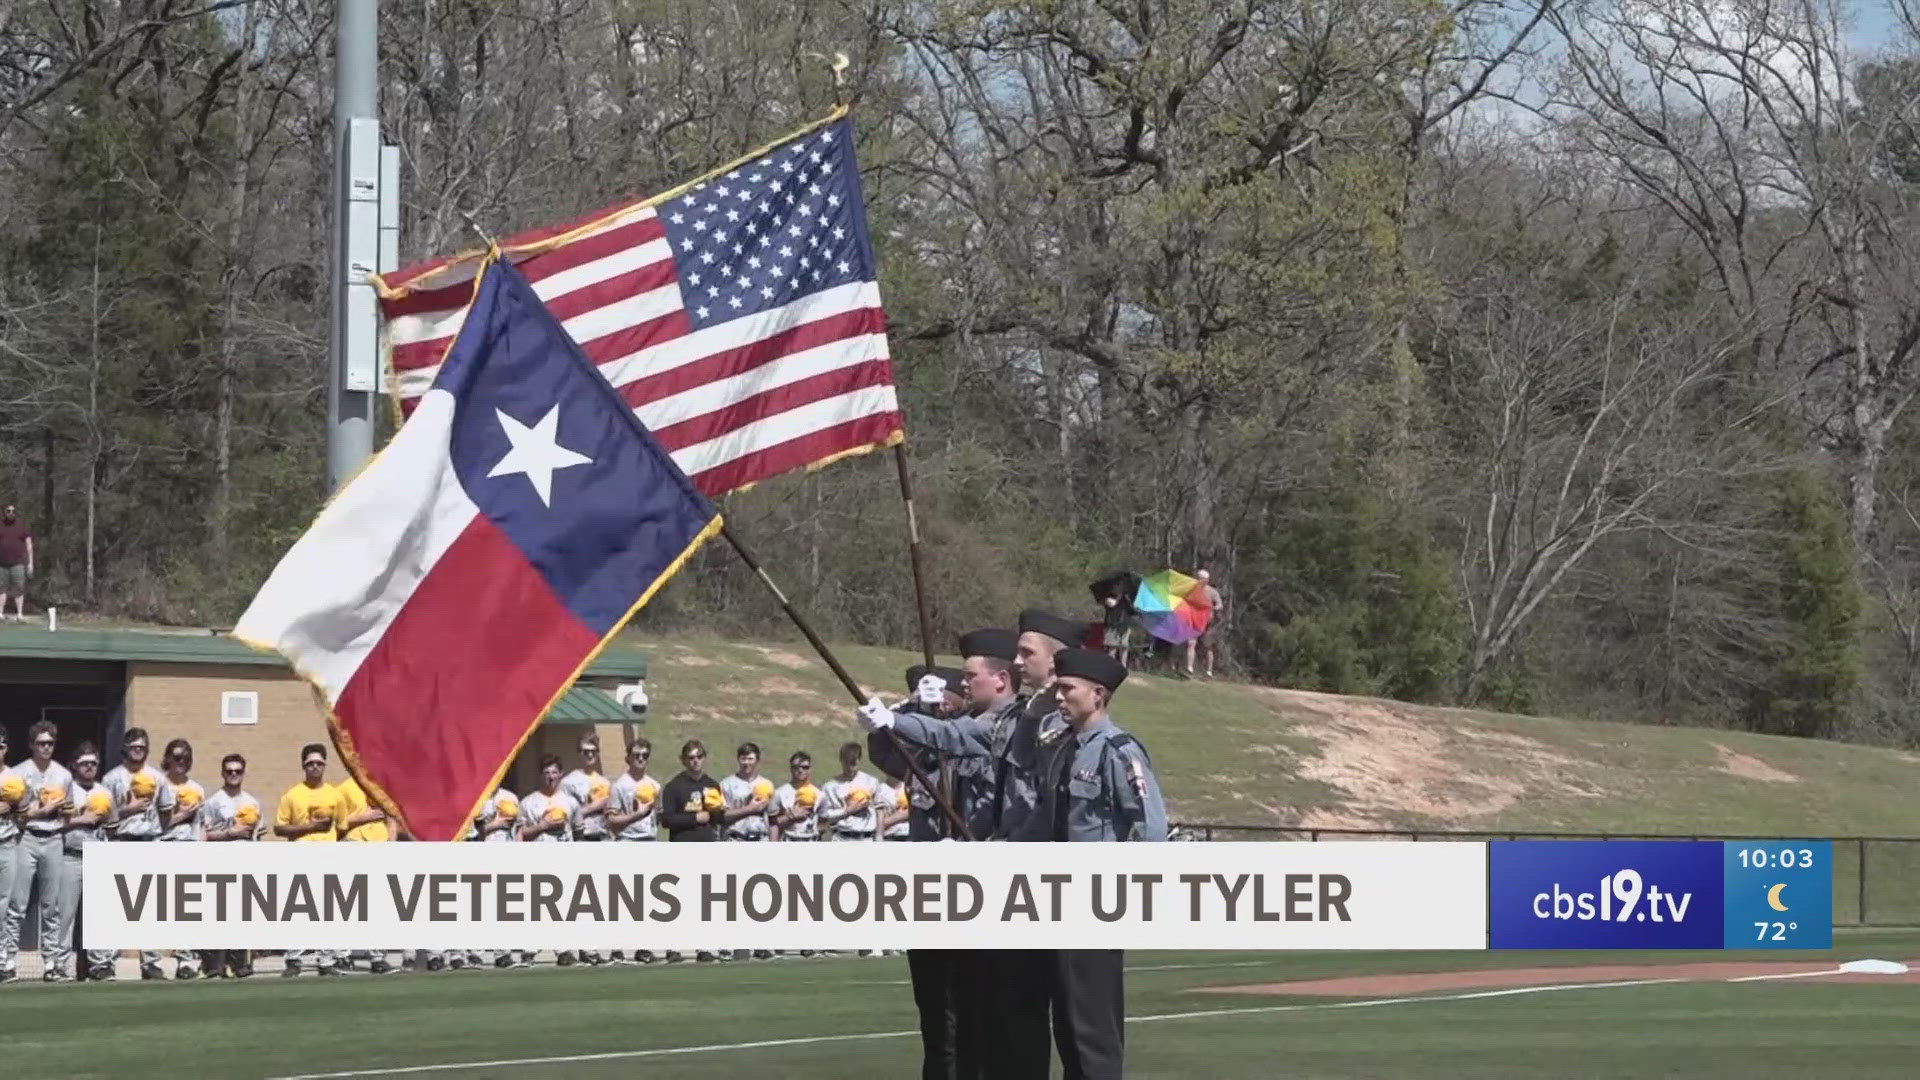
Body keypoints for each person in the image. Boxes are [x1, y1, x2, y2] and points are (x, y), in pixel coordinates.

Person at [1019, 648, 1169, 1079]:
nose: (1059, 698)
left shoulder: (1118, 751)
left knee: (1092, 1034)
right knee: (1067, 1028)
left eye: (1068, 689)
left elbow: (1150, 831)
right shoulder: (1065, 748)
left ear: (1098, 694)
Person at [101, 727, 172, 980]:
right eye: (133, 747)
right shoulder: (112, 778)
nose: (138, 752)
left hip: (148, 839)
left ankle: (151, 962)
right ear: (125, 749)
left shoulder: (157, 777)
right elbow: (104, 815)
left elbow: (166, 812)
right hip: (121, 839)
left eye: (142, 747)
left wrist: (156, 833)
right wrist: (126, 810)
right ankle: (105, 962)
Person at [273, 743, 342, 978]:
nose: (315, 767)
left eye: (319, 763)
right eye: (310, 763)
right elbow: (279, 827)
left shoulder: (335, 795)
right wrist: (310, 827)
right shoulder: (292, 795)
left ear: (325, 765)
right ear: (303, 765)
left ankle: (326, 960)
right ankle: (294, 959)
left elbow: (342, 827)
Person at [12, 721, 72, 982]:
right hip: (27, 836)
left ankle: (52, 963)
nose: (46, 748)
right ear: (31, 745)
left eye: (50, 743)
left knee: (52, 906)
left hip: (54, 837)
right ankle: (7, 961)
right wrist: (41, 809)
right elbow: (15, 816)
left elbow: (69, 813)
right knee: (17, 903)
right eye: (41, 743)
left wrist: (58, 814)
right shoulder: (19, 773)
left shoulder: (63, 775)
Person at [197, 753, 263, 978]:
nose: (233, 775)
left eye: (237, 771)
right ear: (223, 773)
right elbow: (205, 836)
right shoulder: (213, 802)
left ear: (243, 773)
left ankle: (239, 963)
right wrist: (229, 833)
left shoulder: (252, 802)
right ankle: (214, 964)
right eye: (229, 771)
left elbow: (257, 837)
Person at [659, 739, 724, 963]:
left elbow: (719, 818)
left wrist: (717, 811)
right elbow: (666, 820)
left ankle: (703, 946)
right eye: (690, 758)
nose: (695, 761)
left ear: (704, 758)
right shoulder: (674, 787)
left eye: (698, 757)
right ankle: (673, 948)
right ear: (684, 760)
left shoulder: (712, 785)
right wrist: (694, 817)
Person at [517, 754, 580, 966]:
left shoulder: (570, 802)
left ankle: (563, 950)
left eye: (554, 773)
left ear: (560, 774)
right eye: (546, 773)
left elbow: (578, 830)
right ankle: (530, 949)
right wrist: (543, 826)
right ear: (540, 776)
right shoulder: (528, 802)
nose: (550, 777)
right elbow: (522, 833)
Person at [59, 742, 114, 981]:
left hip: (98, 856)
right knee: (64, 916)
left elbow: (113, 826)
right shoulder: (66, 789)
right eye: (84, 763)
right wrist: (84, 819)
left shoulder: (105, 792)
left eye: (93, 763)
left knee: (99, 916)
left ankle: (100, 965)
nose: (90, 767)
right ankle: (59, 965)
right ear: (74, 766)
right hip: (70, 855)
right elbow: (55, 824)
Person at [334, 773, 398, 975]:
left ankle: (378, 957)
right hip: (353, 843)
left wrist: (391, 843)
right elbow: (338, 823)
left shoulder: (381, 785)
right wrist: (365, 817)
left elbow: (392, 817)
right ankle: (342, 956)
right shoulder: (344, 788)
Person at [559, 733, 613, 965]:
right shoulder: (569, 782)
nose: (589, 755)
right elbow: (566, 813)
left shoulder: (605, 782)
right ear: (579, 754)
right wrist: (594, 807)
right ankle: (571, 947)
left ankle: (591, 948)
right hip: (581, 838)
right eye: (585, 751)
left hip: (600, 838)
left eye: (593, 752)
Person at [607, 738, 661, 964]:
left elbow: (657, 818)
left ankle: (643, 947)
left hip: (648, 841)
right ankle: (617, 948)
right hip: (627, 841)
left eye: (645, 755)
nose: (640, 759)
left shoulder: (655, 785)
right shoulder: (620, 785)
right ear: (628, 758)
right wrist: (636, 816)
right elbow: (611, 820)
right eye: (637, 755)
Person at [157, 737, 204, 978]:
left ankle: (185, 961)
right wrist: (180, 814)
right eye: (176, 757)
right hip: (164, 846)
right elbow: (154, 825)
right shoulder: (158, 786)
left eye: (185, 758)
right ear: (167, 759)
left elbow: (199, 827)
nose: (181, 762)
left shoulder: (196, 790)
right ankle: (151, 963)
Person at [1185, 569, 1224, 678]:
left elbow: (1220, 604)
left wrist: (1213, 609)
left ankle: (1209, 671)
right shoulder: (1192, 590)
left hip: (1208, 624)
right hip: (1194, 621)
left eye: (1202, 579)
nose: (1200, 580)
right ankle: (1189, 668)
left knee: (1208, 647)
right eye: (1198, 578)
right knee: (1191, 643)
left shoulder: (1212, 592)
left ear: (1207, 580)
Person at [0, 505, 33, 621]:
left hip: (18, 563)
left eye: (13, 511)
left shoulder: (21, 526)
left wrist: (30, 563)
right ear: (5, 512)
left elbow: (29, 545)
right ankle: (0, 613)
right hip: (1, 563)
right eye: (8, 511)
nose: (10, 513)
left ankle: (19, 614)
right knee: (1, 588)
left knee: (19, 588)